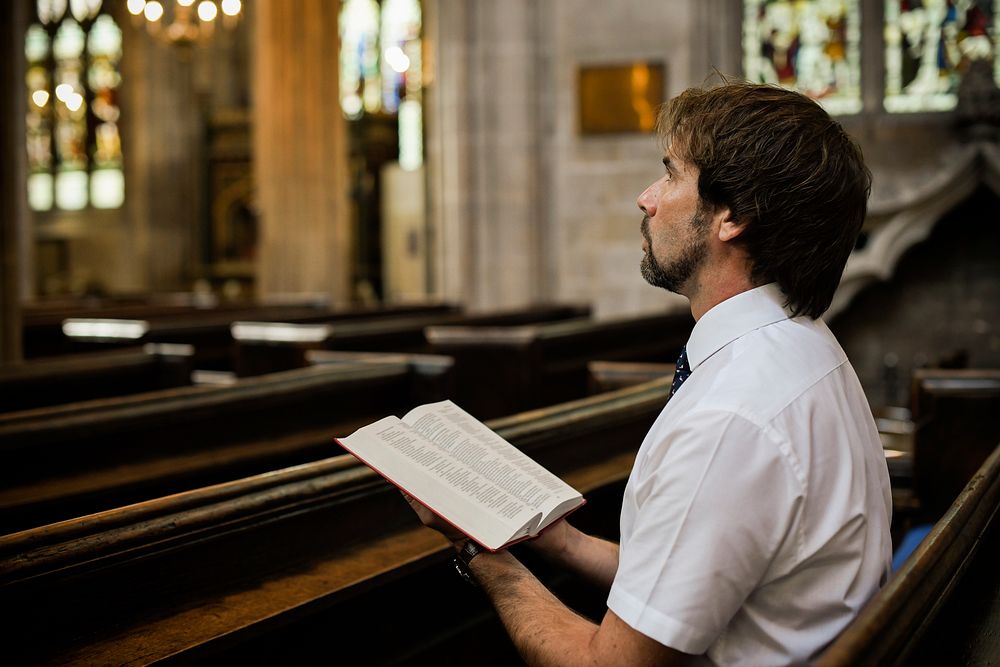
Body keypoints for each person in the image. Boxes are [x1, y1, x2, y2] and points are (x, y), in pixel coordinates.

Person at [405, 81, 892, 666]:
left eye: (670, 174)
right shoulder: (802, 346)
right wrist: (561, 542)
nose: (647, 197)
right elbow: (689, 586)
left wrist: (478, 553)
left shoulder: (729, 419)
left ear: (731, 215)